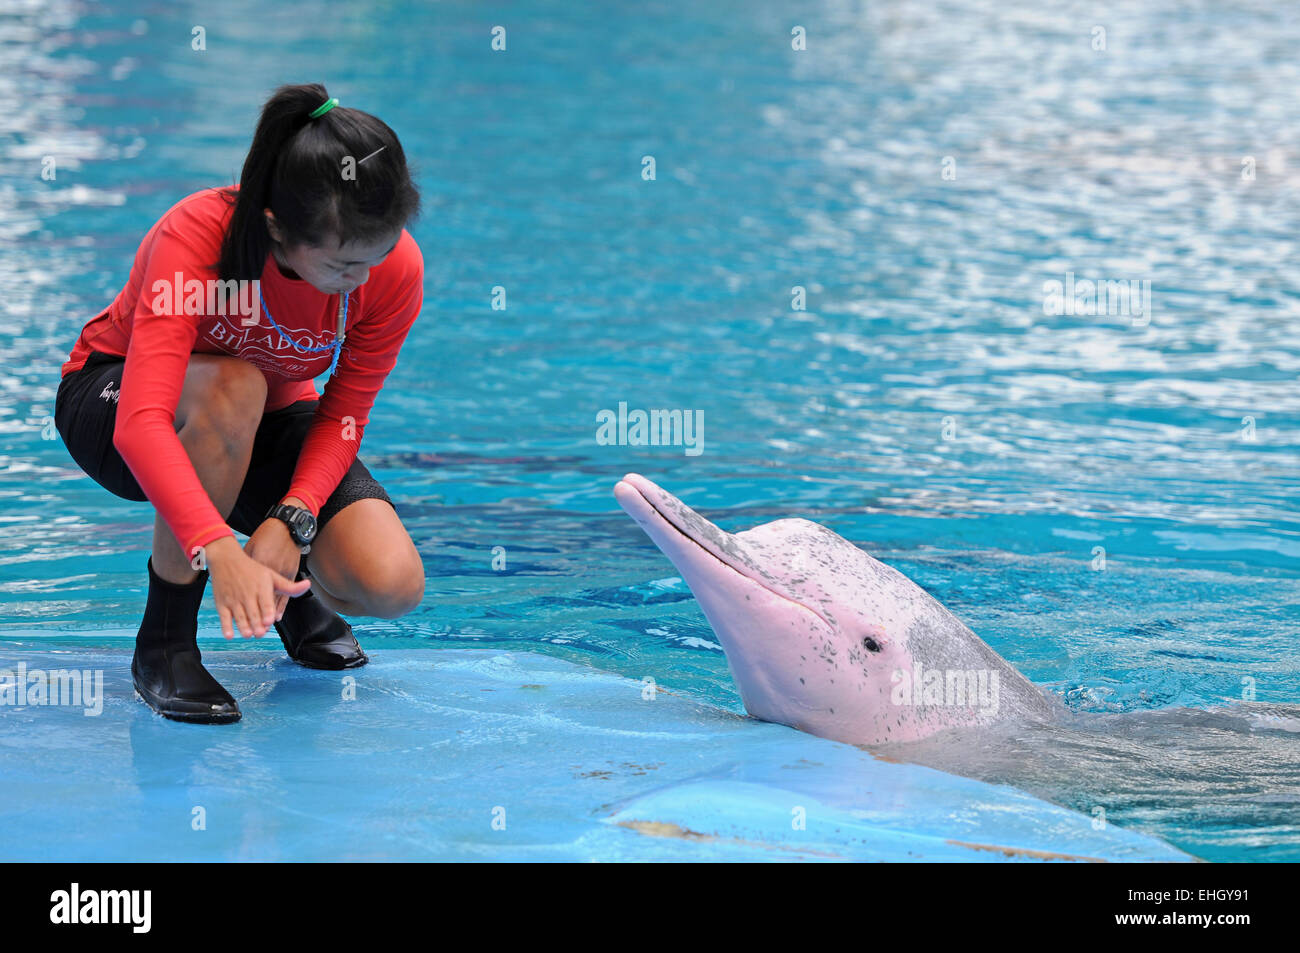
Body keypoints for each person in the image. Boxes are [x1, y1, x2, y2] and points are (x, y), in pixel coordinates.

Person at [53, 83, 426, 724]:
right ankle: (164, 642)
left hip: (259, 421)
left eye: (380, 253)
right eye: (343, 266)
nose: (363, 279)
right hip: (113, 399)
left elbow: (344, 415)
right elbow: (141, 423)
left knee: (389, 581)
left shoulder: (390, 271)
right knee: (237, 386)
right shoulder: (197, 235)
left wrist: (292, 520)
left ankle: (290, 593)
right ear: (277, 227)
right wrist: (217, 549)